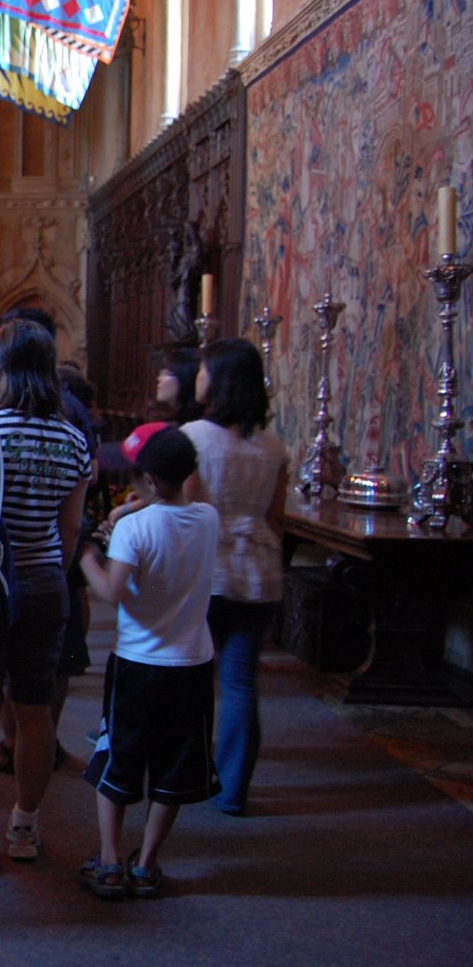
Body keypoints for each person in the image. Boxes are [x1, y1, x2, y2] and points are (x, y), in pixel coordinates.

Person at [0, 319, 92, 874]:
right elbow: (71, 527)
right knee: (34, 712)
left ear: (0, 369)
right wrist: (49, 566)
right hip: (44, 581)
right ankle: (25, 828)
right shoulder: (72, 438)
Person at [77, 423, 221, 898]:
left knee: (118, 757)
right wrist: (131, 510)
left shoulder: (134, 530)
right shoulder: (209, 519)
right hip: (192, 663)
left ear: (151, 481)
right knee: (173, 765)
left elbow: (112, 591)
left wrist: (86, 556)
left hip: (138, 663)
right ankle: (147, 863)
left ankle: (110, 860)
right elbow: (178, 513)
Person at [179, 339, 287, 816]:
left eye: (204, 369)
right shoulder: (273, 445)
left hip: (207, 568)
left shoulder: (194, 437)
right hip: (258, 568)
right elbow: (276, 517)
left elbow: (184, 511)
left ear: (219, 380)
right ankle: (234, 789)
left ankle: (189, 772)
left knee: (193, 677)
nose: (198, 377)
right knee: (241, 682)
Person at [150, 347, 204, 423]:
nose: (158, 379)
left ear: (185, 378)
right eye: (160, 373)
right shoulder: (165, 419)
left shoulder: (194, 425)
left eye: (166, 374)